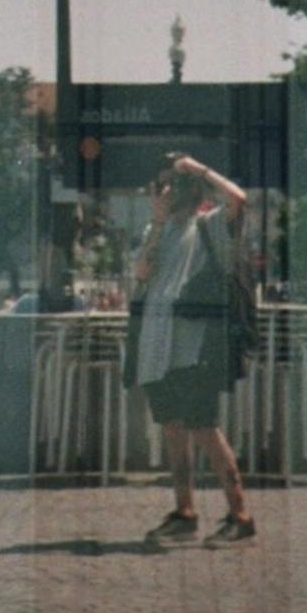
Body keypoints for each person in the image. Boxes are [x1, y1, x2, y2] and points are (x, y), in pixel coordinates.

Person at [128, 153, 256, 548]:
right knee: (172, 427)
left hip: (195, 345)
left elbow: (239, 199)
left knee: (204, 426)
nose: (166, 191)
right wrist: (157, 222)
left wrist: (196, 167)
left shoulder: (209, 224)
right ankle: (184, 511)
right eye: (161, 184)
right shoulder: (157, 229)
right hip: (157, 345)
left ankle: (240, 515)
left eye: (173, 183)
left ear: (191, 189)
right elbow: (142, 273)